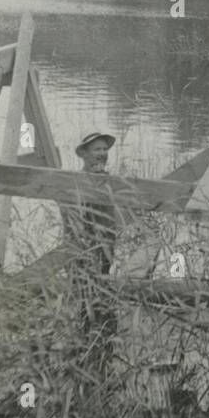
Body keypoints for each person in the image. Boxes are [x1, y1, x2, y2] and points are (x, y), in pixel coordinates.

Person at [66, 132, 120, 346]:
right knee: (82, 284)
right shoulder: (77, 181)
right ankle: (83, 331)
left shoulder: (108, 180)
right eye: (97, 150)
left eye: (104, 150)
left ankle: (99, 329)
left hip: (106, 244)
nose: (102, 154)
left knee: (102, 278)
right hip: (84, 245)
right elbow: (73, 217)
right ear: (85, 155)